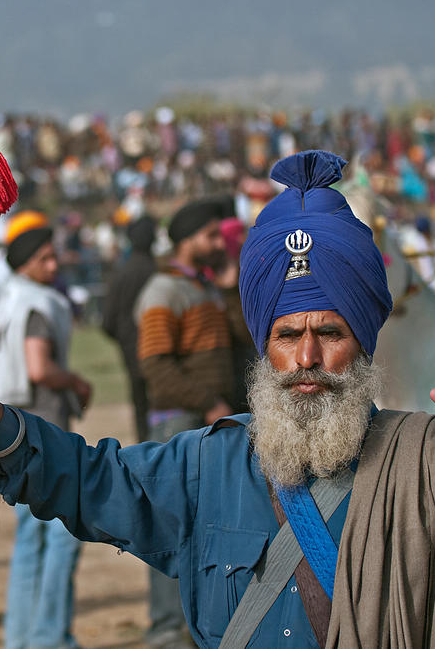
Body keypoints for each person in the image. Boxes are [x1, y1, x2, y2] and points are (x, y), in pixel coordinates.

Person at [0, 151, 435, 648]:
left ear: (362, 342)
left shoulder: (429, 464)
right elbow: (88, 481)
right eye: (287, 336)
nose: (307, 359)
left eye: (330, 333)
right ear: (264, 344)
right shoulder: (205, 466)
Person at [0, 211, 92, 649]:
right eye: (45, 259)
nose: (54, 265)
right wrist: (77, 382)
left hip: (11, 424)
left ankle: (21, 637)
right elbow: (39, 367)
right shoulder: (37, 303)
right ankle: (50, 637)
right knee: (64, 533)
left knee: (30, 537)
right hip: (41, 428)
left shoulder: (3, 300)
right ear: (26, 262)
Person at [133, 198, 237, 645]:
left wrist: (232, 289)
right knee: (173, 529)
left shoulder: (206, 288)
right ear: (188, 240)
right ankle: (167, 628)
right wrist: (209, 401)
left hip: (208, 419)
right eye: (212, 235)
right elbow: (156, 368)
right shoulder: (163, 291)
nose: (220, 243)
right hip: (181, 423)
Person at [100, 214, 158, 443]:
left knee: (140, 403)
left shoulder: (121, 273)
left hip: (130, 348)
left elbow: (107, 321)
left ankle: (144, 445)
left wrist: (126, 340)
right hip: (156, 349)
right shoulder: (156, 271)